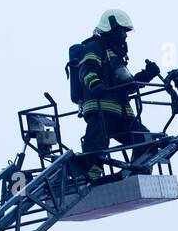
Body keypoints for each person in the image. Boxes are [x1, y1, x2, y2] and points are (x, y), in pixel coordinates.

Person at [68, 9, 162, 180]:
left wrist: (147, 74)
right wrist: (95, 84)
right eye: (122, 31)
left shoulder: (116, 57)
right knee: (95, 149)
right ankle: (86, 180)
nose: (125, 36)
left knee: (145, 140)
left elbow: (127, 86)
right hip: (100, 110)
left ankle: (137, 170)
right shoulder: (94, 47)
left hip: (122, 114)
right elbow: (86, 70)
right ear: (111, 28)